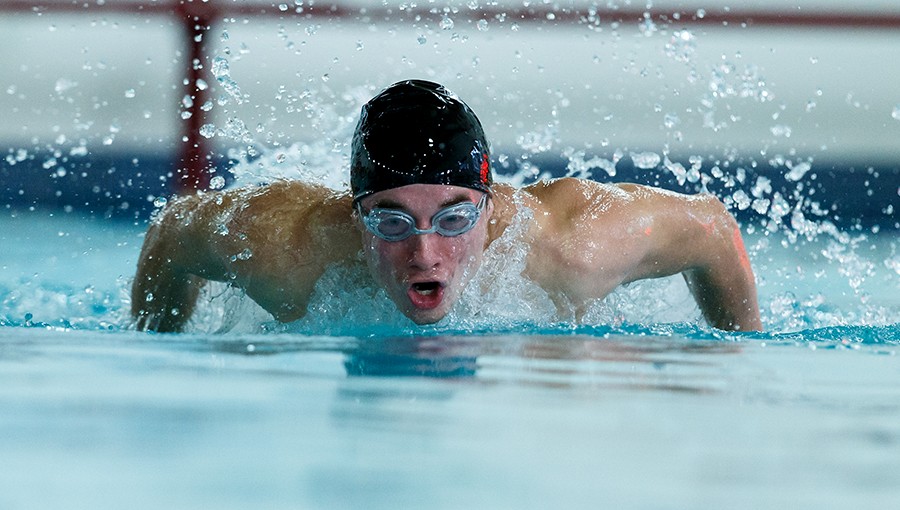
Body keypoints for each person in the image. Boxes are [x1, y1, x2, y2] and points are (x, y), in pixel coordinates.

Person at [132, 79, 762, 333]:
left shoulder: (570, 247)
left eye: (455, 218)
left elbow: (712, 229)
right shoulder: (283, 247)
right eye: (391, 221)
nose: (423, 254)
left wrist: (739, 362)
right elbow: (167, 234)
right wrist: (157, 345)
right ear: (355, 216)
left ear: (490, 208)